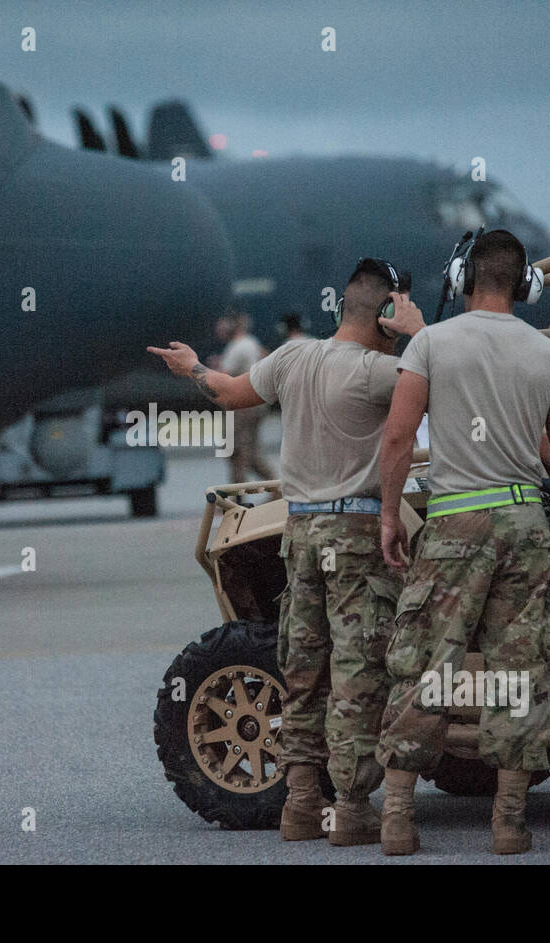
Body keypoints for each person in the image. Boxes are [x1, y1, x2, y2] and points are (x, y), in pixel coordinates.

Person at [149, 259, 425, 845]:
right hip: (355, 538)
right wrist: (420, 333)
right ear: (384, 314)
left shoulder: (293, 357)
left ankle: (299, 806)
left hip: (296, 536)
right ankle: (350, 809)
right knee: (356, 674)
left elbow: (226, 393)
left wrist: (191, 365)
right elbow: (452, 388)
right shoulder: (386, 370)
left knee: (301, 673)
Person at [374, 230, 550, 856]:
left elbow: (396, 440)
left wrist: (390, 515)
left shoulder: (432, 343)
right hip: (524, 524)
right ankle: (509, 822)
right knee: (517, 673)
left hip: (455, 522)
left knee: (426, 668)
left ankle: (396, 820)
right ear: (525, 285)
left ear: (466, 278)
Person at [215, 312, 273, 485]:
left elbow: (222, 377)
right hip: (254, 403)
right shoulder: (251, 342)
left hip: (242, 407)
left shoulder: (238, 346)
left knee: (236, 451)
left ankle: (239, 496)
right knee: (250, 452)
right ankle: (275, 487)